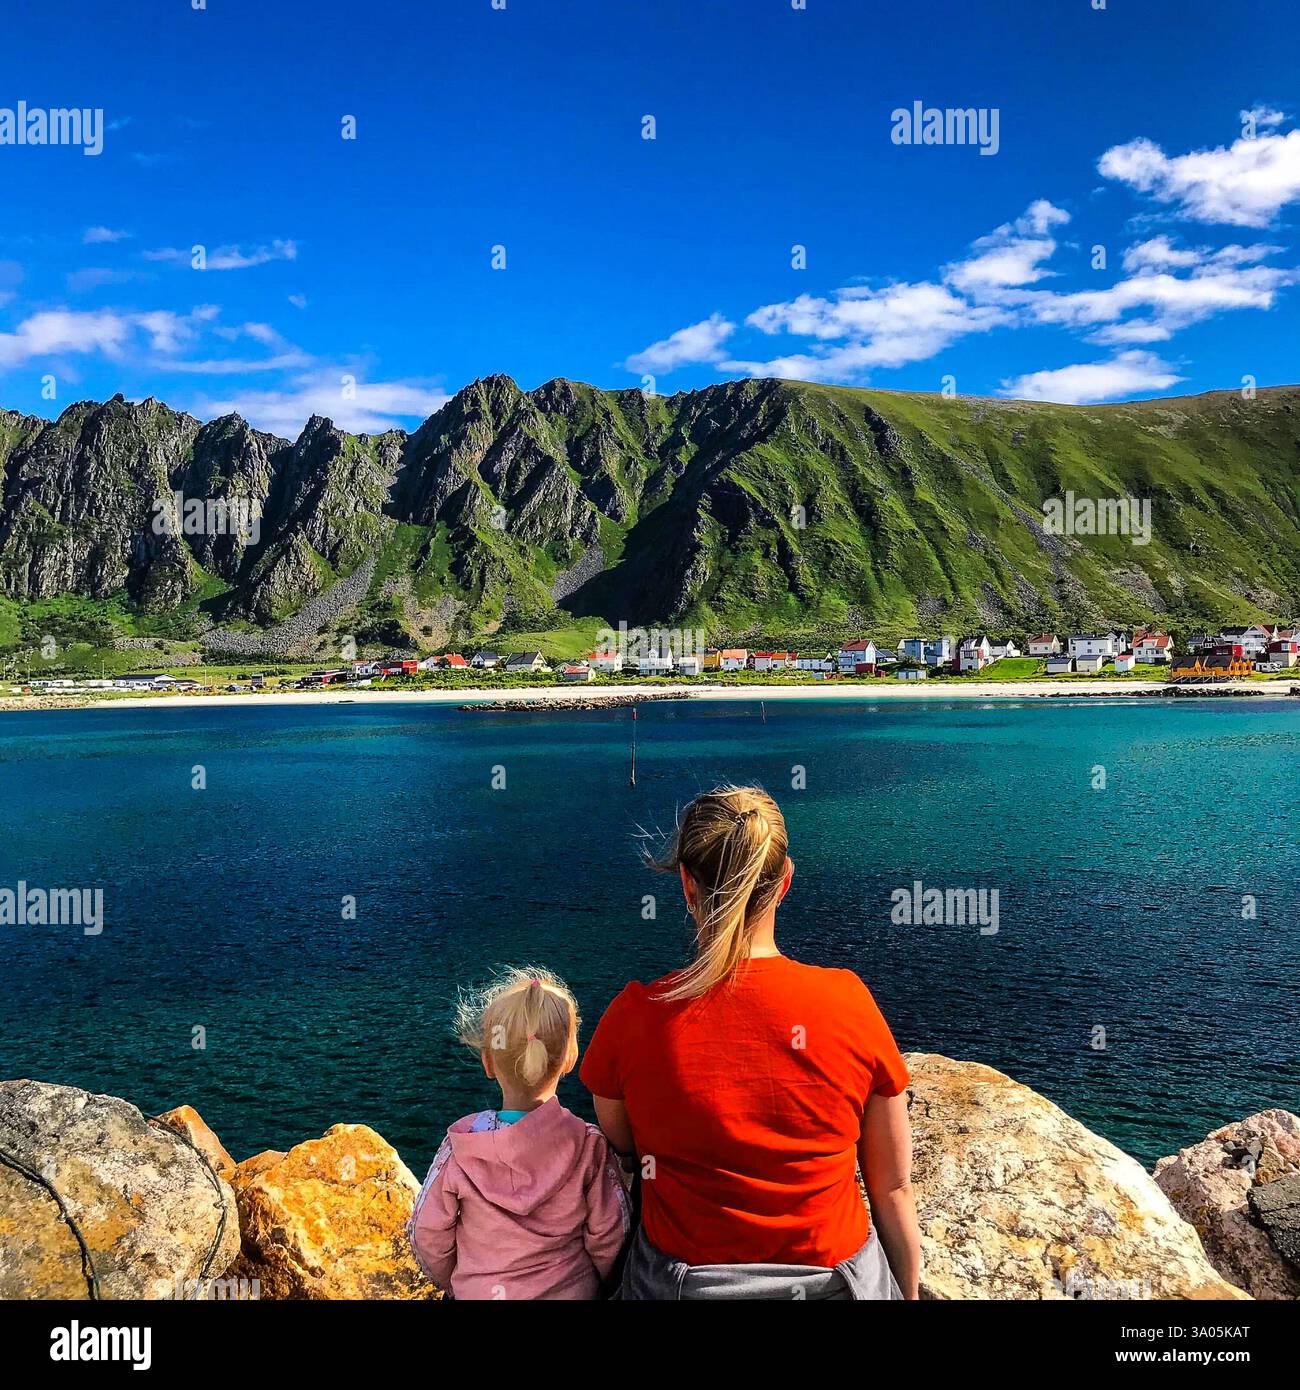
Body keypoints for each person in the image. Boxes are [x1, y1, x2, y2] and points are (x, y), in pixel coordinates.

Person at [581, 785, 920, 1300]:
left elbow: (625, 1147)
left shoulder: (634, 1017)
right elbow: (892, 1188)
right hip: (838, 1284)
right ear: (785, 882)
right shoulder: (848, 1002)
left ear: (687, 886)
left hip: (681, 1285)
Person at [408, 967, 630, 1299]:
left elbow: (426, 1233)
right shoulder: (588, 1145)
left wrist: (458, 1282)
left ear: (488, 1062)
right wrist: (601, 1285)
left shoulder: (461, 1146)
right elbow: (612, 1234)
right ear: (570, 1058)